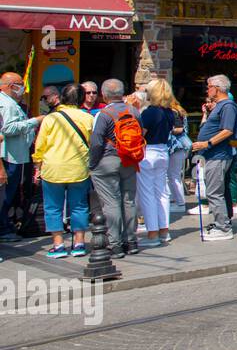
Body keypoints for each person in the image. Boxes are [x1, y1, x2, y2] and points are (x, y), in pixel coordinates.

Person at [32, 83, 94, 258]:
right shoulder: (87, 118)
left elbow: (40, 145)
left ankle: (58, 245)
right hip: (78, 168)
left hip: (53, 169)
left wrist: (37, 166)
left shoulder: (50, 118)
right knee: (80, 206)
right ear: (82, 99)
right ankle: (79, 243)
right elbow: (94, 144)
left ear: (62, 98)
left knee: (53, 207)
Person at [88, 79, 142, 257]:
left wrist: (93, 164)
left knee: (111, 203)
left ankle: (115, 244)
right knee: (129, 201)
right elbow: (141, 133)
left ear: (104, 95)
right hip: (129, 160)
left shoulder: (103, 114)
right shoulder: (134, 111)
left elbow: (96, 142)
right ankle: (132, 242)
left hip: (107, 161)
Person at [191, 75, 237, 241]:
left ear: (217, 89)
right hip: (212, 155)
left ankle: (223, 228)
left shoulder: (227, 106)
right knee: (213, 192)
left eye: (209, 86)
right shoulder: (220, 106)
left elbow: (227, 131)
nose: (207, 89)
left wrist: (206, 143)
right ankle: (220, 224)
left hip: (218, 155)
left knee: (214, 192)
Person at [0, 71, 43, 243]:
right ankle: (3, 229)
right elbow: (7, 129)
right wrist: (35, 121)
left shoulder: (11, 103)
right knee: (5, 195)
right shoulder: (7, 104)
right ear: (11, 86)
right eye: (20, 84)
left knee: (9, 194)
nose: (23, 88)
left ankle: (5, 225)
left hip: (16, 155)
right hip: (10, 157)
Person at [138, 79, 181, 247]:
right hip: (163, 151)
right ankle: (164, 230)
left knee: (148, 193)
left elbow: (141, 134)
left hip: (148, 152)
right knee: (162, 192)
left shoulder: (149, 112)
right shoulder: (170, 112)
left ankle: (152, 234)